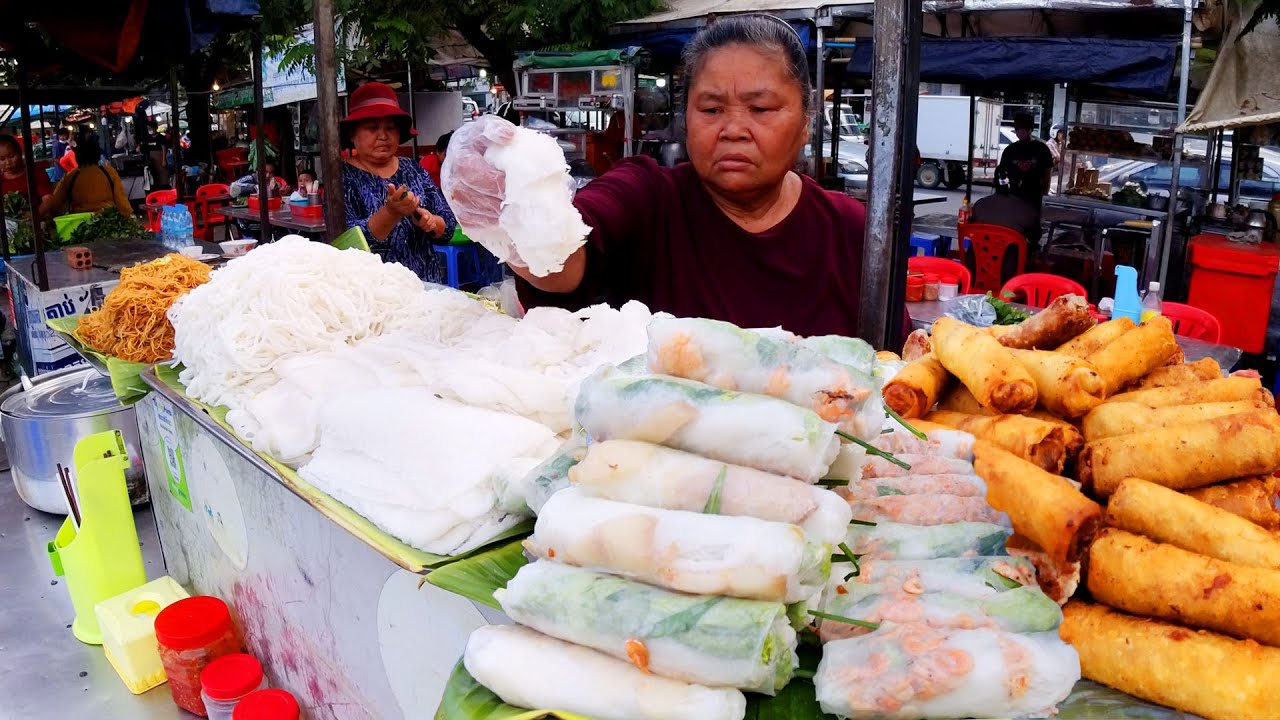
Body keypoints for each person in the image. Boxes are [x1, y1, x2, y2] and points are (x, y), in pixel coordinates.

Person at [448, 15, 870, 337]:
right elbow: (562, 266)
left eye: (761, 109)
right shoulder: (648, 196)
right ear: (686, 118)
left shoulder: (849, 229)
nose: (734, 129)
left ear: (806, 123)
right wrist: (510, 204)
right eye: (711, 109)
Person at [340, 82, 456, 282]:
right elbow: (346, 244)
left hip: (426, 288)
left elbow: (448, 223)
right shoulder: (342, 179)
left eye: (390, 128)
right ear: (353, 133)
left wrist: (431, 222)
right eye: (372, 128)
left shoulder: (413, 169)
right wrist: (390, 213)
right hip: (374, 293)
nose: (383, 136)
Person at [39, 135, 132, 217]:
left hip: (79, 222)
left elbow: (55, 204)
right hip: (108, 217)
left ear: (77, 156)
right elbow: (122, 202)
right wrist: (128, 216)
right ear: (97, 155)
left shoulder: (70, 176)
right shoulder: (109, 172)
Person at [970, 166, 1041, 246]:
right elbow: (1036, 237)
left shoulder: (979, 205)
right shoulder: (1029, 211)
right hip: (1013, 258)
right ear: (1019, 183)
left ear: (994, 182)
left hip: (978, 257)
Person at [999, 113, 1054, 209]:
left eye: (1024, 128)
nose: (1021, 131)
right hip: (1013, 197)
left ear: (1031, 129)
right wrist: (1003, 193)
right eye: (1018, 128)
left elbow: (1047, 174)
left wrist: (1044, 194)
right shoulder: (1010, 150)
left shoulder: (1042, 149)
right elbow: (1002, 173)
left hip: (1035, 197)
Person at [0, 134, 52, 201]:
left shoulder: (34, 172)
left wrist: (34, 212)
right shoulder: (1, 180)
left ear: (20, 153)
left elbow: (48, 199)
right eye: (2, 159)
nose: (8, 162)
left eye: (12, 156)